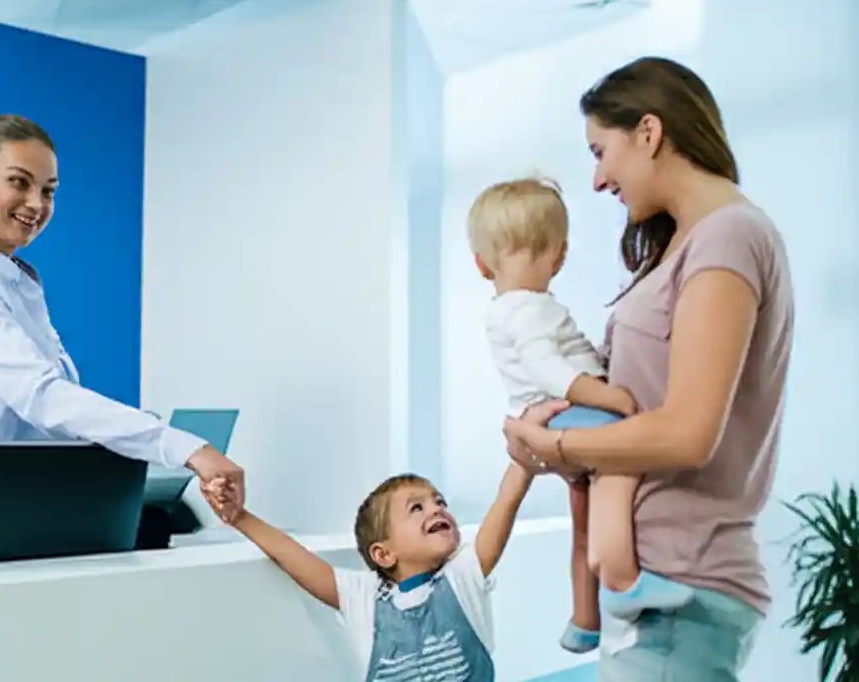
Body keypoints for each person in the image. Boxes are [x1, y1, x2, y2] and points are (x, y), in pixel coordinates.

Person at [503, 56, 793, 679]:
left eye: (601, 151)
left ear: (650, 133)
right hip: (660, 587)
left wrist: (556, 445)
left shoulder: (727, 237)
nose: (598, 179)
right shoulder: (693, 243)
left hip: (678, 585)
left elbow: (686, 434)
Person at [0, 114, 244, 518]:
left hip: (20, 508)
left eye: (48, 190)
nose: (36, 203)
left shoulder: (18, 284)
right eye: (19, 182)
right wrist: (186, 448)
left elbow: (54, 420)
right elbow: (43, 397)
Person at [466, 176, 693, 655]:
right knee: (624, 463)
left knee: (584, 523)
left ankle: (584, 619)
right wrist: (611, 398)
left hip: (548, 418)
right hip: (573, 414)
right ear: (561, 256)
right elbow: (550, 369)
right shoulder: (531, 309)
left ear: (480, 263)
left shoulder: (505, 309)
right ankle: (627, 582)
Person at [200, 464, 535, 681]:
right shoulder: (363, 598)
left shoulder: (463, 577)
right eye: (416, 508)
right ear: (383, 553)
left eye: (439, 502)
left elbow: (505, 503)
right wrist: (239, 517)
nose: (436, 509)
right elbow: (293, 556)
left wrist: (524, 461)